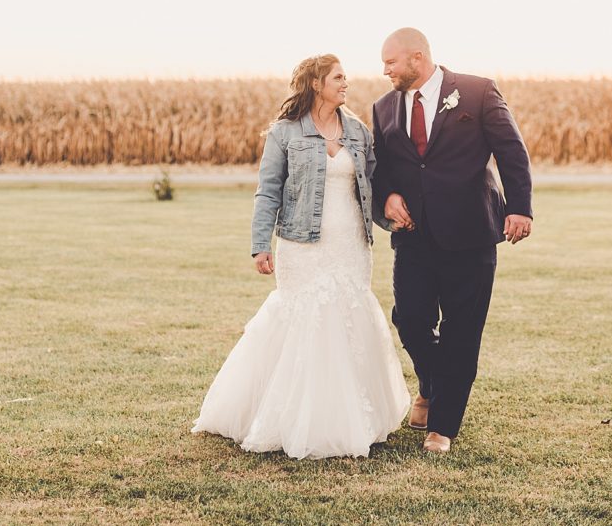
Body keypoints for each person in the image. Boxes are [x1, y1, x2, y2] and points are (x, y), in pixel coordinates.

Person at [192, 54, 410, 459]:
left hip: (349, 243)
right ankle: (292, 418)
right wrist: (261, 244)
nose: (346, 83)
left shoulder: (359, 131)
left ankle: (349, 419)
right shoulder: (285, 133)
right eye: (338, 77)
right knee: (302, 319)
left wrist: (391, 218)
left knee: (347, 317)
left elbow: (374, 186)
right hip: (300, 243)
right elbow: (268, 189)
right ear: (315, 83)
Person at [372, 28, 533, 454]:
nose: (384, 70)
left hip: (471, 233)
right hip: (413, 236)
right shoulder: (383, 107)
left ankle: (441, 426)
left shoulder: (477, 92)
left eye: (390, 62)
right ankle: (430, 384)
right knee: (409, 319)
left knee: (463, 331)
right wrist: (386, 197)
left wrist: (520, 207)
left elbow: (511, 150)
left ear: (417, 57)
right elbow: (381, 166)